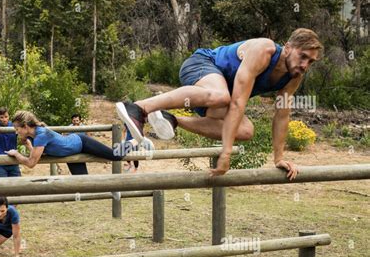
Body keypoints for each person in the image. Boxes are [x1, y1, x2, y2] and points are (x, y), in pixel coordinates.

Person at [116, 28, 323, 180]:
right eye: (302, 56)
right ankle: (140, 107)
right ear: (287, 48)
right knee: (222, 96)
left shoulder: (294, 75)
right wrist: (226, 151)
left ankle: (172, 119)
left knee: (246, 131)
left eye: (310, 62)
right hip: (200, 66)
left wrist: (279, 158)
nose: (305, 65)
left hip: (213, 98)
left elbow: (282, 115)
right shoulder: (264, 50)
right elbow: (237, 102)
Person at [6, 110, 128, 175]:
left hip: (80, 142)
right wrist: (28, 145)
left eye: (17, 129)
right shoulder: (33, 136)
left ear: (26, 126)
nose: (16, 133)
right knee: (83, 183)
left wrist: (17, 154)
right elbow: (37, 157)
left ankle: (132, 141)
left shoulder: (41, 135)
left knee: (116, 155)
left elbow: (31, 163)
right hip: (70, 154)